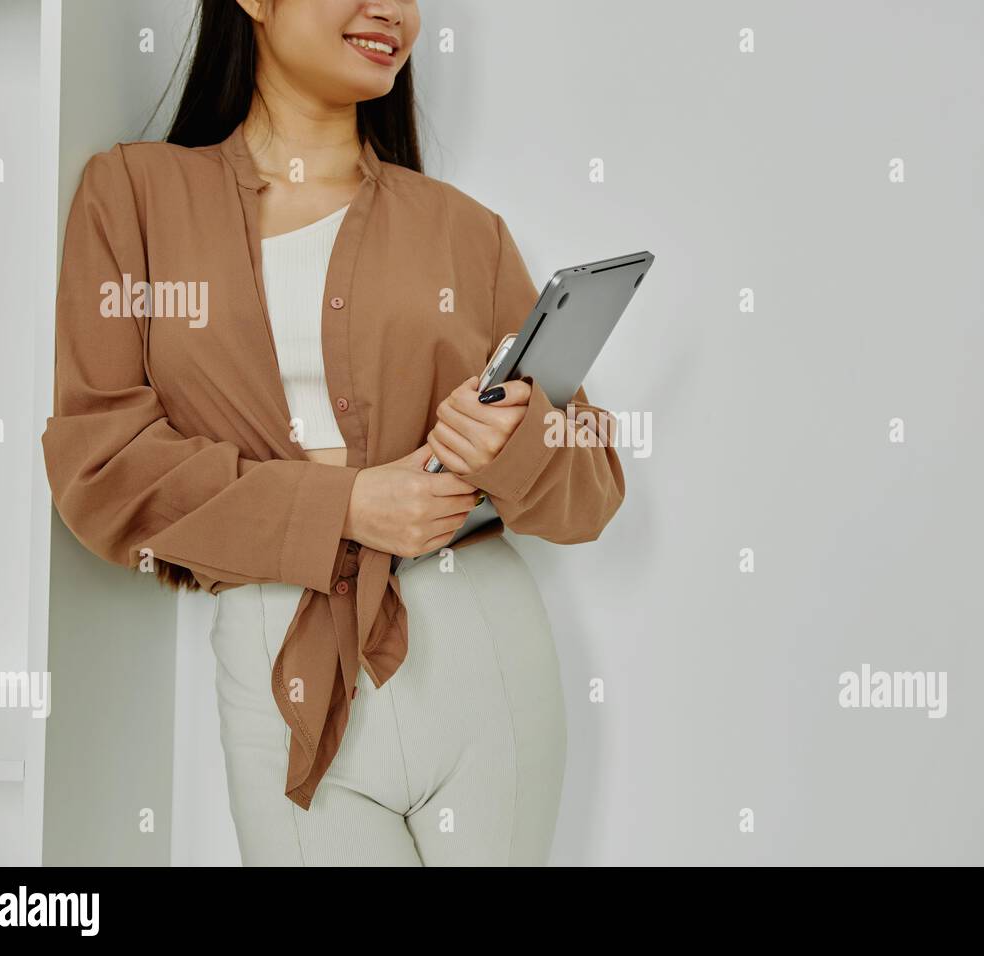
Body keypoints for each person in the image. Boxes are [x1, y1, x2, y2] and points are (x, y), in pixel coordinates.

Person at [41, 0, 625, 866]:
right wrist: (346, 502)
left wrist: (516, 442)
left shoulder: (466, 229)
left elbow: (595, 485)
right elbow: (103, 470)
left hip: (481, 658)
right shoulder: (133, 197)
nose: (392, 10)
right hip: (277, 675)